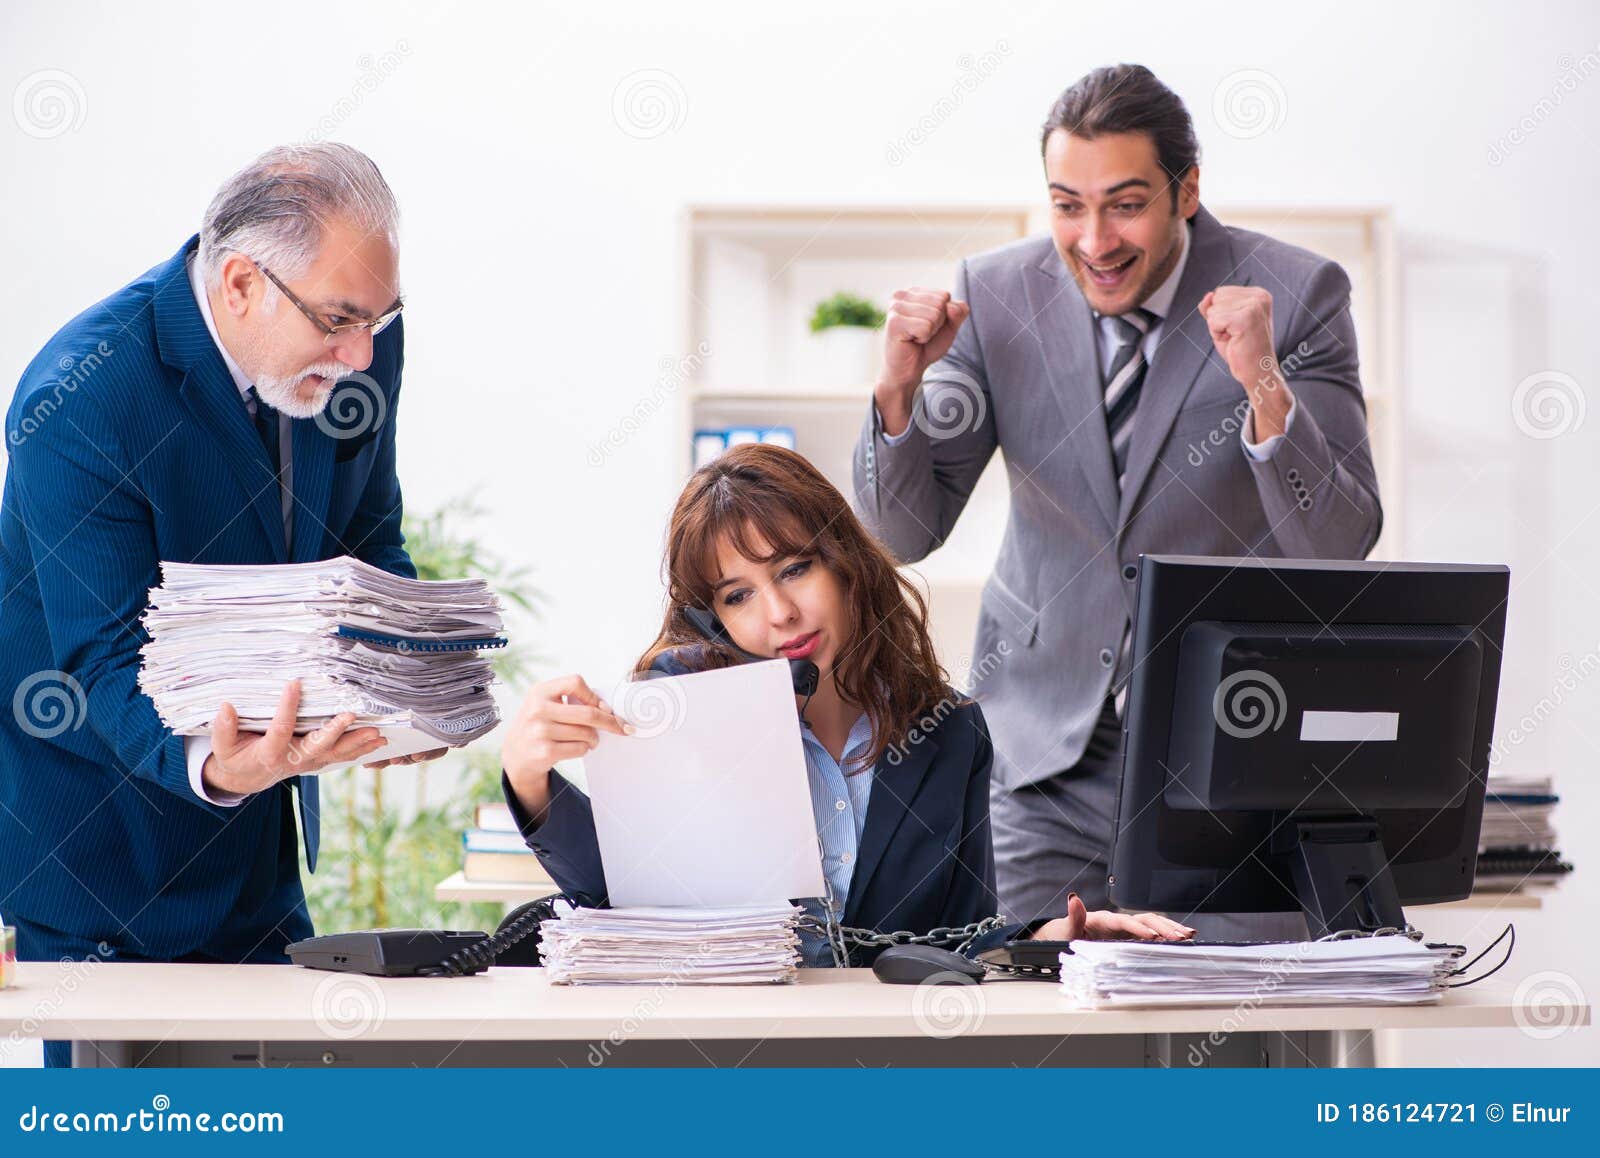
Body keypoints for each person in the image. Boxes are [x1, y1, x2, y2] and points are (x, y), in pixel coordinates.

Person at [852, 64, 1383, 924]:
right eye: (1068, 205)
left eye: (1126, 203)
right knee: (1030, 1026)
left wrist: (1263, 384)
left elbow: (1338, 540)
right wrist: (898, 388)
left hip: (1226, 759)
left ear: (1189, 190)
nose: (1094, 240)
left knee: (1239, 1042)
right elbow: (902, 532)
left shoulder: (1297, 294)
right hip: (1043, 761)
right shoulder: (996, 296)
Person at [0, 143, 439, 1067]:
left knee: (277, 1110)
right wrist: (215, 764)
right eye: (340, 318)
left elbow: (365, 538)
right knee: (128, 1124)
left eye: (381, 316)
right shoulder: (82, 398)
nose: (362, 351)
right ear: (241, 283)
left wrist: (405, 685)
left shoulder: (358, 347)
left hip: (257, 851)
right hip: (100, 857)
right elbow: (101, 660)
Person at [500, 443, 1194, 964]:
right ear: (712, 620)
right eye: (737, 595)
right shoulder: (686, 709)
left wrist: (1046, 938)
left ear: (846, 565)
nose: (778, 613)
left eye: (795, 568)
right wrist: (531, 781)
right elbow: (622, 902)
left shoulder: (948, 732)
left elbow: (959, 935)